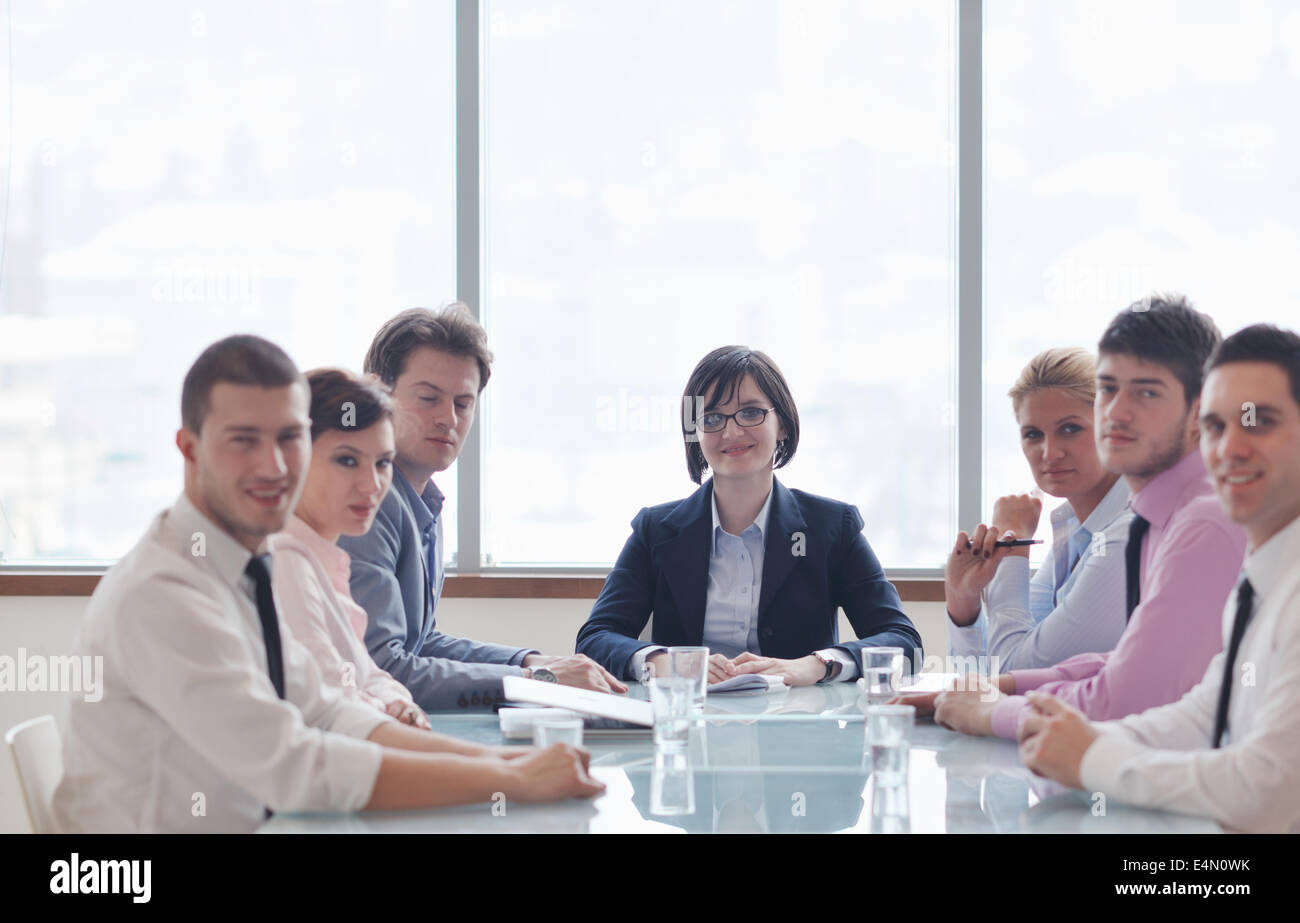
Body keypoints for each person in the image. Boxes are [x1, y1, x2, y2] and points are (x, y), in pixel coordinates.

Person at [52, 335, 602, 833]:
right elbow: (297, 769)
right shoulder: (165, 592)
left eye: (289, 438)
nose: (273, 466)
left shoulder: (245, 566)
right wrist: (514, 781)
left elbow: (327, 710)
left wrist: (509, 762)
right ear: (191, 450)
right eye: (244, 440)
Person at [899, 294, 1246, 738]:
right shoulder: (1110, 525)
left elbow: (1123, 694)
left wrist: (993, 708)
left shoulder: (1190, 522)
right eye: (1108, 390)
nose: (1116, 412)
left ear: (1199, 410)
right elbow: (1106, 668)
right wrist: (970, 625)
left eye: (1146, 392)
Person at [1019, 324, 1300, 834]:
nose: (1229, 448)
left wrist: (1092, 760)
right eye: (1215, 426)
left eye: (1259, 423)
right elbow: (1205, 713)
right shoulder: (1264, 575)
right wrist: (1084, 743)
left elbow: (1268, 792)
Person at [575, 345, 921, 686]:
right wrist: (664, 662)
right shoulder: (656, 530)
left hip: (797, 726)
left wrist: (816, 665)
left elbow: (904, 643)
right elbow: (594, 639)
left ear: (782, 424)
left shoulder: (831, 527)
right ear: (695, 434)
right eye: (711, 418)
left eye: (751, 412)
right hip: (687, 721)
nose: (731, 432)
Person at [339, 305, 626, 710]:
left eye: (463, 403)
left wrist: (529, 660)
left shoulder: (422, 500)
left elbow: (421, 643)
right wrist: (536, 679)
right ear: (378, 396)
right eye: (428, 398)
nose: (448, 419)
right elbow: (384, 668)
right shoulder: (364, 504)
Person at [946, 347, 1132, 670]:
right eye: (1033, 434)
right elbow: (982, 681)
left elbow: (1014, 674)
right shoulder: (1076, 530)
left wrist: (1014, 543)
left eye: (1070, 429)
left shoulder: (1127, 535)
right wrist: (963, 601)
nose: (1050, 453)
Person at [269, 368, 430, 729]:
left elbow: (368, 675)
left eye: (383, 463)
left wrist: (398, 704)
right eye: (347, 460)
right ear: (293, 458)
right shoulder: (285, 560)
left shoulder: (325, 562)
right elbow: (330, 707)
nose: (373, 484)